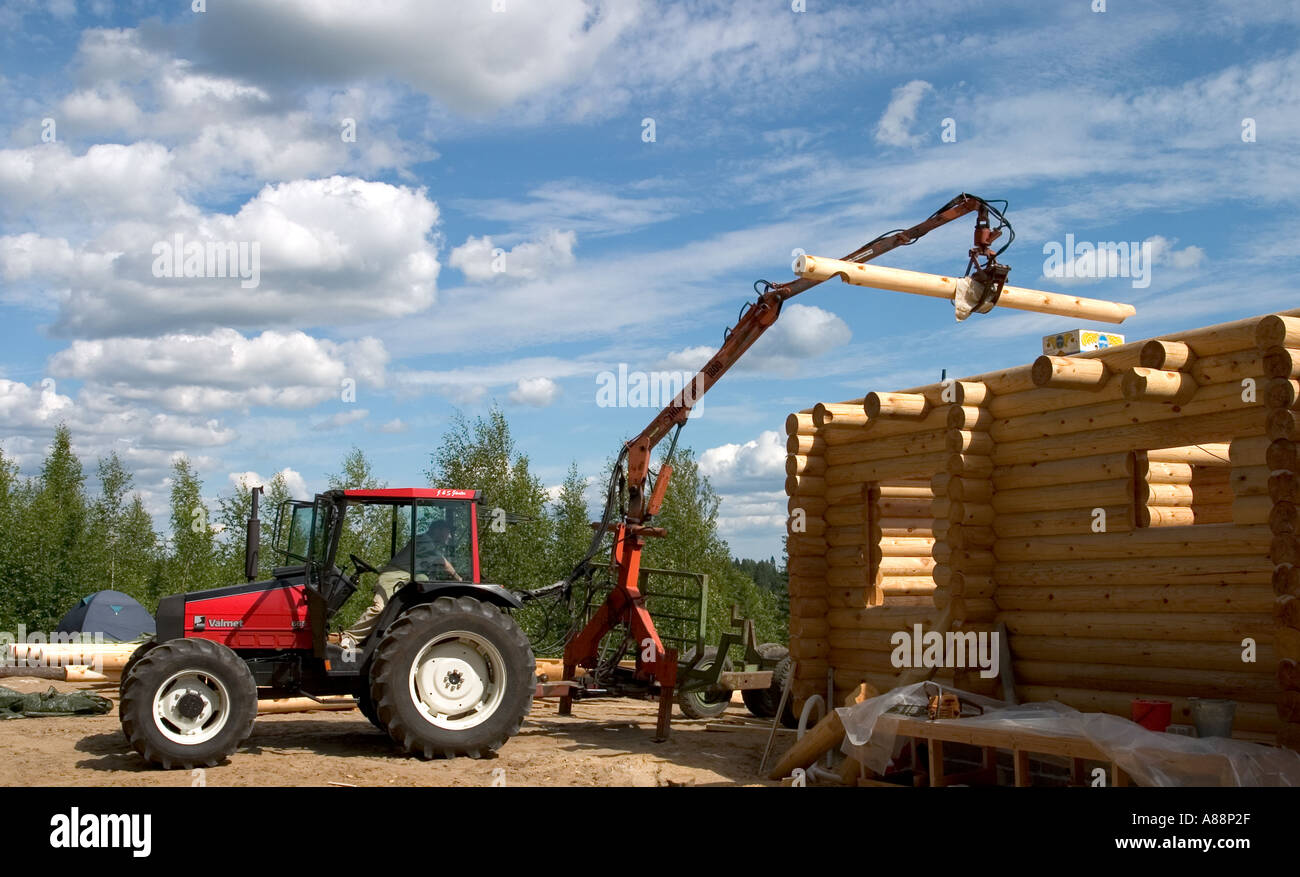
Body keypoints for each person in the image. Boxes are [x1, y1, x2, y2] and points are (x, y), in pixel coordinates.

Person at [339, 519, 462, 650]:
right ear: (437, 530)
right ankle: (348, 637)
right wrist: (460, 580)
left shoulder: (427, 544)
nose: (449, 536)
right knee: (380, 608)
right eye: (448, 532)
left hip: (403, 578)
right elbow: (444, 564)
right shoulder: (424, 541)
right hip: (393, 577)